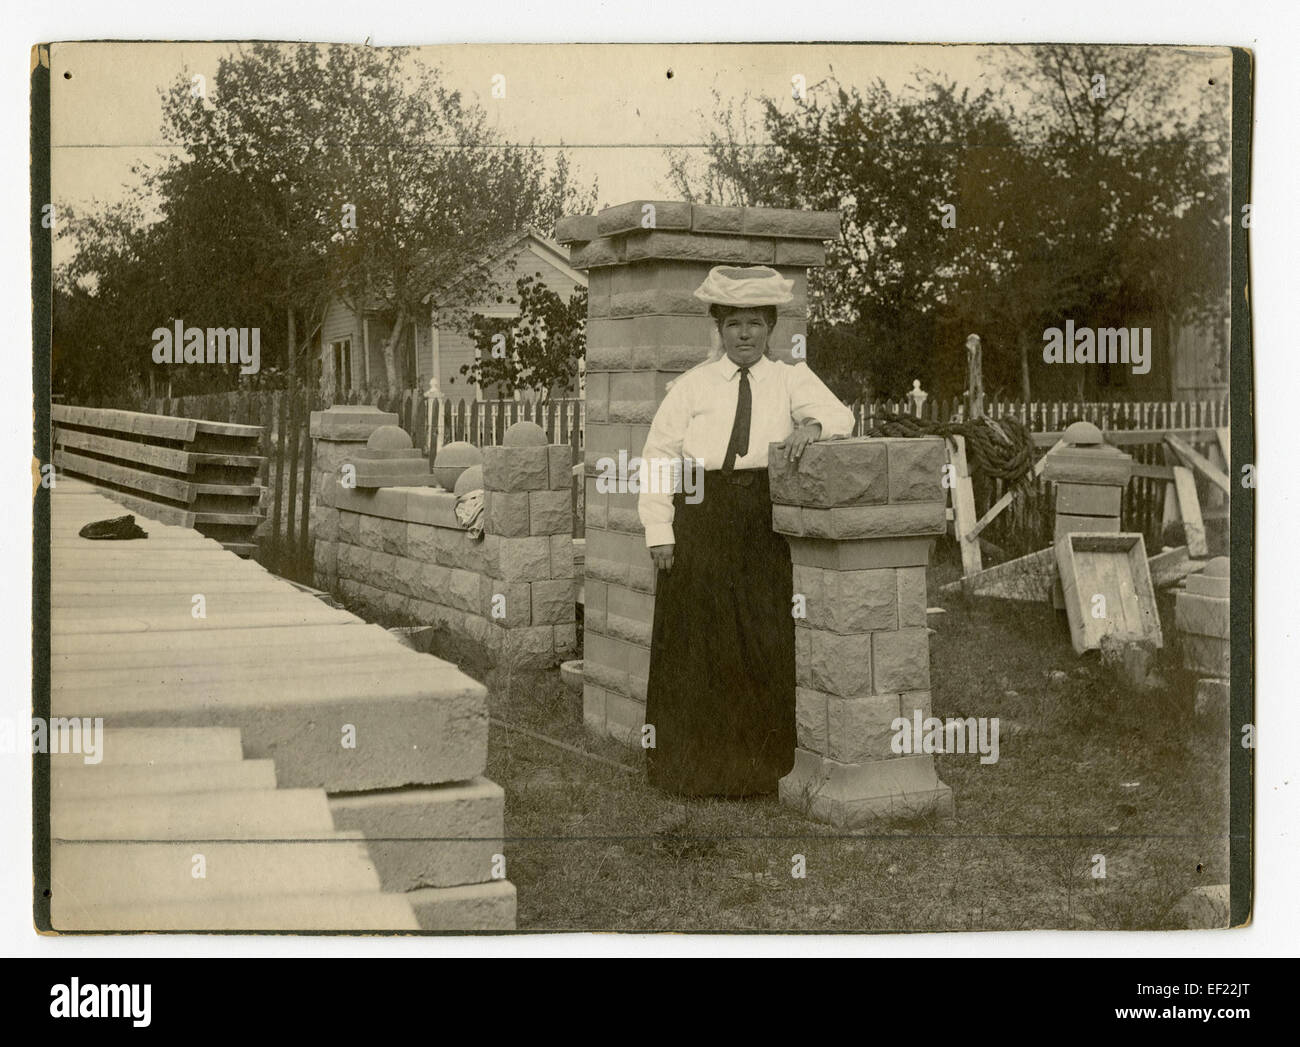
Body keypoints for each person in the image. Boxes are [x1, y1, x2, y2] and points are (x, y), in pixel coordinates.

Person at [638, 265, 855, 798]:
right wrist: (659, 530)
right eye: (733, 322)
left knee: (762, 638)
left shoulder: (789, 379)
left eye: (755, 323)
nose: (744, 334)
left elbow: (841, 416)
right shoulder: (692, 386)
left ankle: (759, 772)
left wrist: (811, 426)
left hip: (762, 523)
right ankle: (691, 771)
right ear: (718, 325)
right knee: (700, 644)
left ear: (772, 327)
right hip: (701, 518)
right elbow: (659, 457)